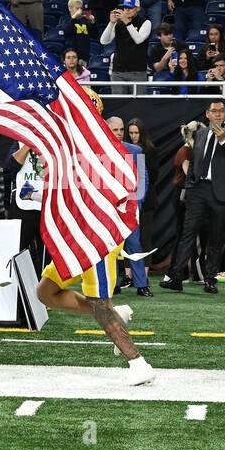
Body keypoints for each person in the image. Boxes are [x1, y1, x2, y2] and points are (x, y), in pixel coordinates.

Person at [37, 96, 154, 385]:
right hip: (77, 233)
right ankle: (119, 315)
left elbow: (126, 192)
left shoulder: (109, 149)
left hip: (97, 234)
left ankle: (139, 364)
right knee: (45, 292)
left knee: (99, 303)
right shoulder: (71, 146)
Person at [162, 100, 225, 293]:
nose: (218, 114)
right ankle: (176, 277)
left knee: (215, 238)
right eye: (214, 111)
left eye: (221, 111)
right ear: (207, 114)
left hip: (220, 193)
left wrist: (224, 140)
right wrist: (191, 184)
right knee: (187, 234)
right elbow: (194, 161)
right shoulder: (199, 134)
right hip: (197, 190)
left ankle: (210, 279)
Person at [107, 114, 151, 297]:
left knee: (134, 244)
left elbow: (143, 178)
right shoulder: (97, 150)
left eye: (121, 129)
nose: (119, 133)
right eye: (115, 129)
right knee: (110, 247)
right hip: (108, 207)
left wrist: (137, 202)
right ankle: (113, 283)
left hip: (129, 207)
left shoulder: (134, 150)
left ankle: (142, 285)